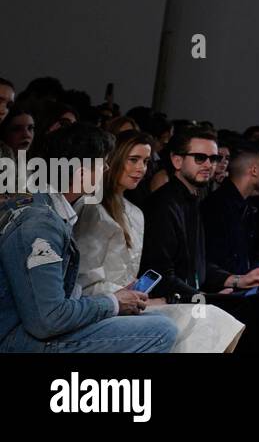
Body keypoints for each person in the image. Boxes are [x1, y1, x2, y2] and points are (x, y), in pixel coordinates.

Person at [0, 122, 177, 352]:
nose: (106, 169)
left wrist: (115, 299)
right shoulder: (39, 223)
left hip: (23, 332)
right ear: (81, 171)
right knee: (162, 331)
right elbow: (48, 320)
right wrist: (113, 303)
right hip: (15, 340)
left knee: (156, 324)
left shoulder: (47, 210)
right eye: (101, 162)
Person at [139, 126, 259, 353]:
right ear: (176, 160)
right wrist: (203, 295)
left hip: (194, 294)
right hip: (176, 300)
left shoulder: (192, 201)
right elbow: (160, 273)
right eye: (200, 158)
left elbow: (199, 265)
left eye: (213, 158)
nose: (209, 165)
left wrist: (237, 280)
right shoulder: (165, 205)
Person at [73, 131, 245, 352]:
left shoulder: (134, 212)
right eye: (133, 160)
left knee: (219, 319)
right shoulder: (92, 210)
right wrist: (129, 298)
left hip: (135, 301)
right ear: (114, 160)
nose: (141, 169)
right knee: (209, 317)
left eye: (145, 162)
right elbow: (83, 278)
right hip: (103, 305)